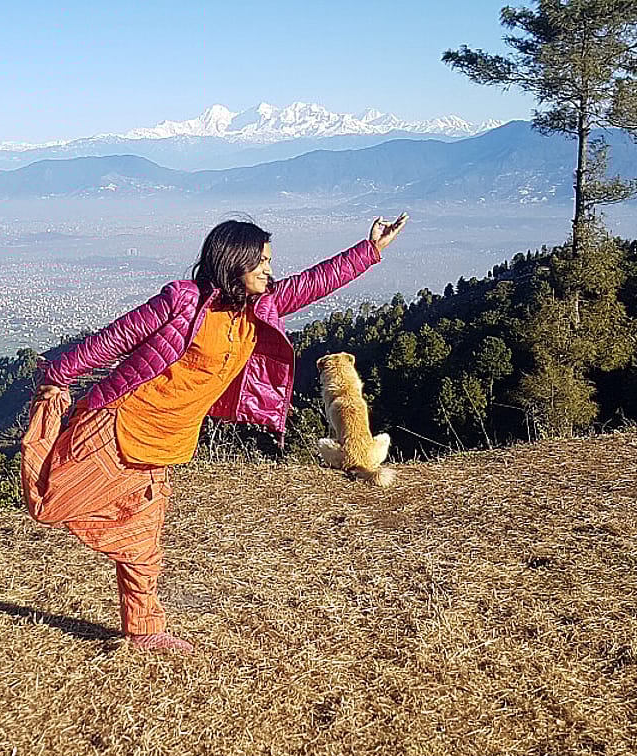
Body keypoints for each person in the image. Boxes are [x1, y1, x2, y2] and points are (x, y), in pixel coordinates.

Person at [21, 214, 409, 653]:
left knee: (144, 544)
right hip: (116, 426)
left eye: (269, 261)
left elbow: (313, 282)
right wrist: (58, 376)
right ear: (232, 262)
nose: (268, 270)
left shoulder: (261, 305)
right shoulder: (182, 301)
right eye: (259, 261)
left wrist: (370, 250)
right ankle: (40, 453)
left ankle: (144, 630)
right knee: (48, 504)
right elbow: (114, 339)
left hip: (163, 446)